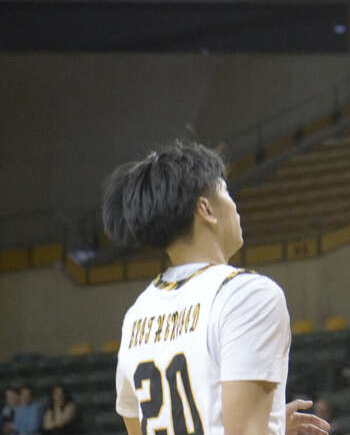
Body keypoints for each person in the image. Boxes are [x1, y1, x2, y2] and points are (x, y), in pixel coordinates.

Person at [103, 139, 330, 435]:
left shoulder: (137, 314)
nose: (235, 207)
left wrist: (272, 427)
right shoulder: (248, 295)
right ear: (206, 209)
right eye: (226, 192)